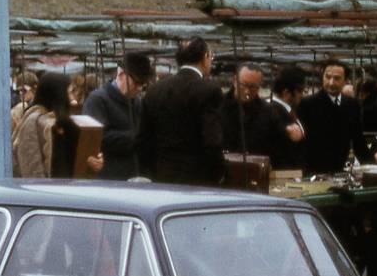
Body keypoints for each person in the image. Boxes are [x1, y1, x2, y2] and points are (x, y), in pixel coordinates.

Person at [135, 37, 224, 185]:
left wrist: (149, 172)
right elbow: (212, 141)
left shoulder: (155, 90)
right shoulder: (209, 90)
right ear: (205, 58)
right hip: (198, 178)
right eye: (211, 57)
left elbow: (143, 138)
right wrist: (219, 173)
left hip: (162, 174)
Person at [82, 52, 153, 180]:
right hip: (109, 177)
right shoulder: (97, 100)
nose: (140, 88)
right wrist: (138, 136)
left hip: (133, 174)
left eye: (143, 85)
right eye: (137, 83)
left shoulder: (137, 102)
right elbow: (98, 138)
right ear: (121, 74)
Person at [298, 59, 369, 175]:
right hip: (313, 173)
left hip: (339, 171)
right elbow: (301, 145)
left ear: (346, 81)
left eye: (336, 78)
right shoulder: (307, 104)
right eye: (328, 77)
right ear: (322, 77)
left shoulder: (352, 105)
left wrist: (372, 167)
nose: (331, 82)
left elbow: (358, 141)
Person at [12, 72, 72, 178]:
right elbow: (31, 166)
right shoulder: (33, 122)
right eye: (68, 93)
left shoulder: (61, 121)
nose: (71, 98)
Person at [219, 65, 279, 156]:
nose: (247, 91)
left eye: (253, 87)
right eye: (244, 85)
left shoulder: (268, 112)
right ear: (235, 81)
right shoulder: (217, 106)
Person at [267, 65, 308, 170]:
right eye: (300, 91)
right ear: (287, 93)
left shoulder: (291, 111)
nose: (302, 95)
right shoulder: (274, 113)